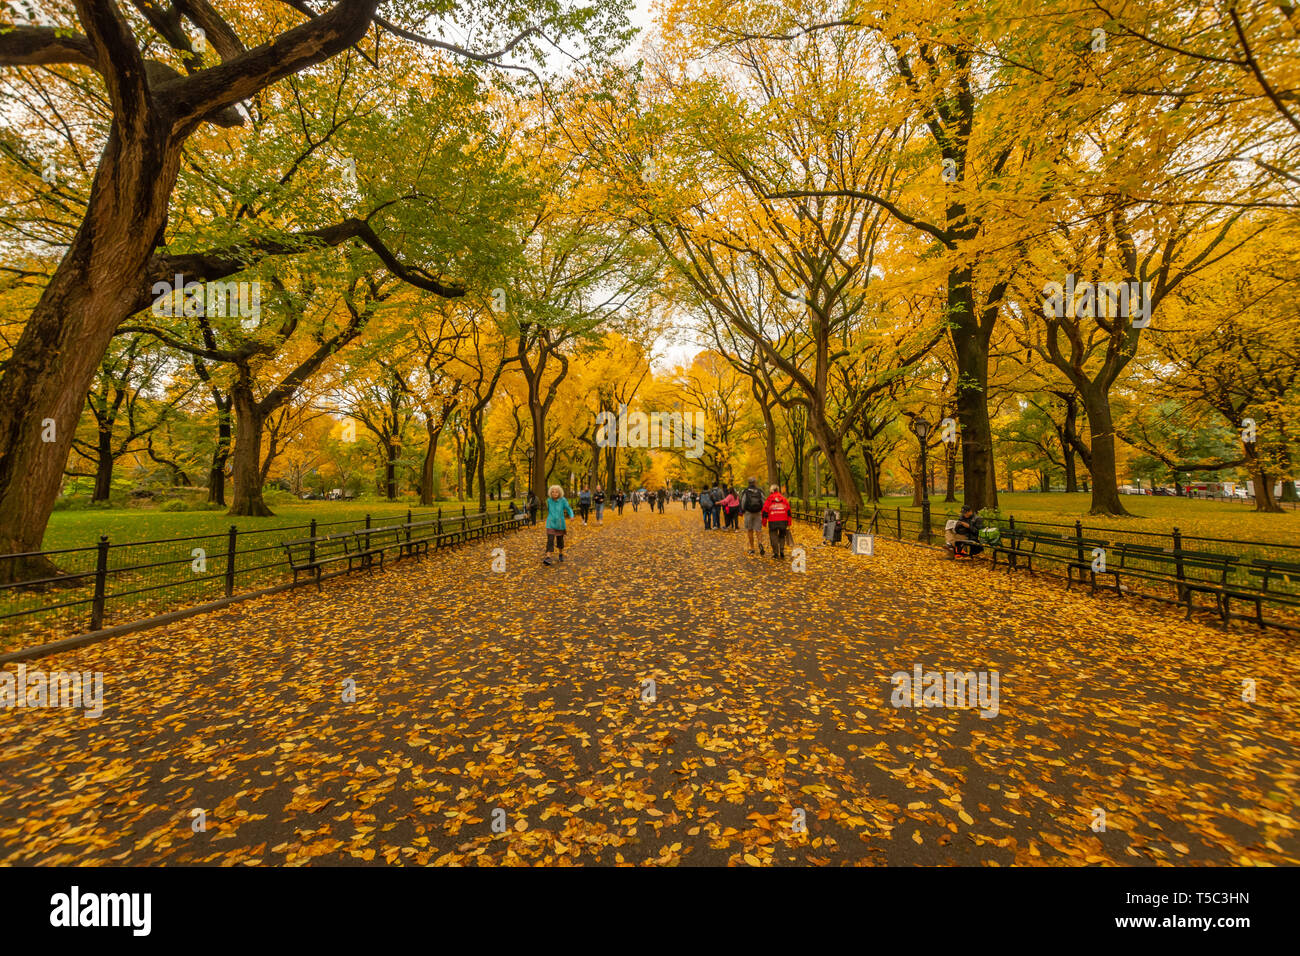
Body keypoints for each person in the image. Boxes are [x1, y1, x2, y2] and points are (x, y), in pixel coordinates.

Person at [542, 484, 575, 565]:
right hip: (550, 523)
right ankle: (548, 557)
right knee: (550, 539)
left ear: (559, 492)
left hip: (560, 524)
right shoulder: (549, 500)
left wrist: (571, 516)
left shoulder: (563, 500)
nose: (554, 493)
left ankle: (560, 553)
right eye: (552, 492)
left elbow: (568, 508)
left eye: (556, 492)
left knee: (560, 540)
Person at [763, 483, 792, 559]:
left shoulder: (769, 499)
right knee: (782, 535)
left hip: (773, 520)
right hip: (783, 520)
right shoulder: (784, 499)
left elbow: (765, 511)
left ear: (771, 490)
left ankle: (776, 553)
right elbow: (788, 511)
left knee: (773, 536)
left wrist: (764, 522)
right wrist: (789, 522)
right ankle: (782, 550)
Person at [740, 478, 766, 555]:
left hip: (748, 513)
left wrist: (743, 510)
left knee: (750, 530)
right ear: (755, 482)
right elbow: (763, 501)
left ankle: (752, 548)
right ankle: (760, 543)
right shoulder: (759, 491)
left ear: (748, 483)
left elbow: (743, 502)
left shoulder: (745, 491)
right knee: (758, 529)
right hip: (758, 512)